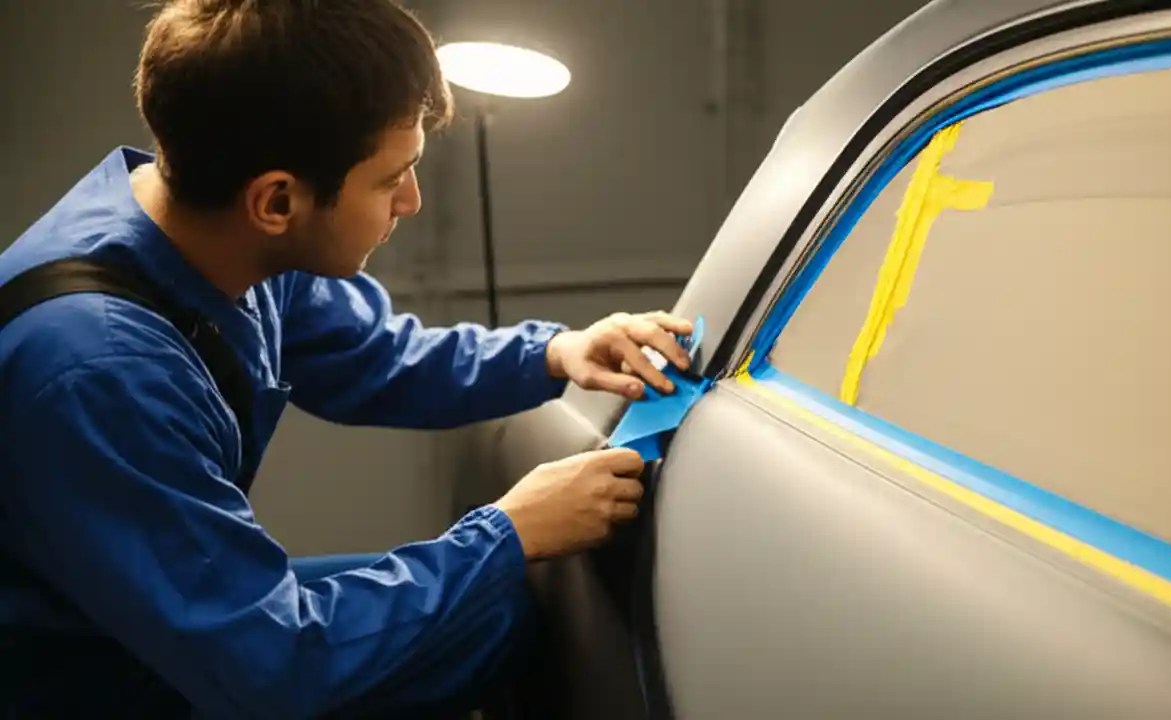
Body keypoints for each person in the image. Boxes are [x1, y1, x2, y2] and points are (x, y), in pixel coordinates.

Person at [0, 0, 694, 717]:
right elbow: (273, 667)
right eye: (393, 176)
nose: (414, 201)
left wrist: (554, 352)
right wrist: (508, 532)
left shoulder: (221, 230)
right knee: (479, 604)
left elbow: (374, 359)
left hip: (144, 618)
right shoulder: (99, 370)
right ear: (277, 201)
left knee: (488, 619)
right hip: (74, 677)